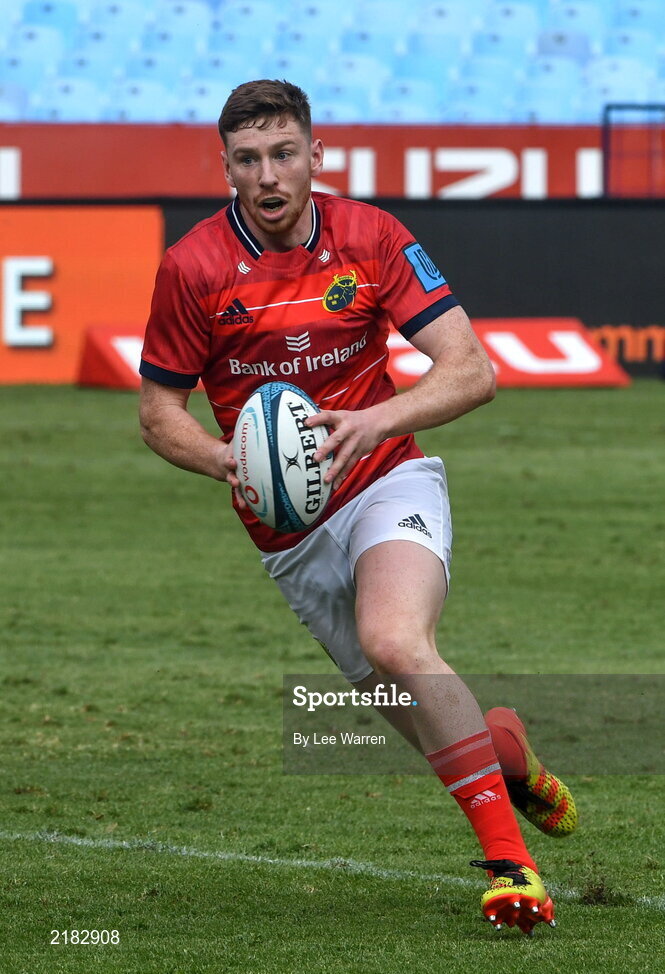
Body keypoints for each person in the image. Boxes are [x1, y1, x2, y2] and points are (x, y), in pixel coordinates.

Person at [139, 79, 577, 935]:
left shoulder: (371, 236)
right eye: (248, 160)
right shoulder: (192, 266)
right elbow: (159, 416)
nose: (268, 177)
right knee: (417, 721)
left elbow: (471, 369)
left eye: (284, 154)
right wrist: (230, 459)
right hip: (287, 529)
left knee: (395, 640)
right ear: (225, 167)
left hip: (386, 479)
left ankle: (508, 866)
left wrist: (373, 420)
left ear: (315, 155)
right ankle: (506, 759)